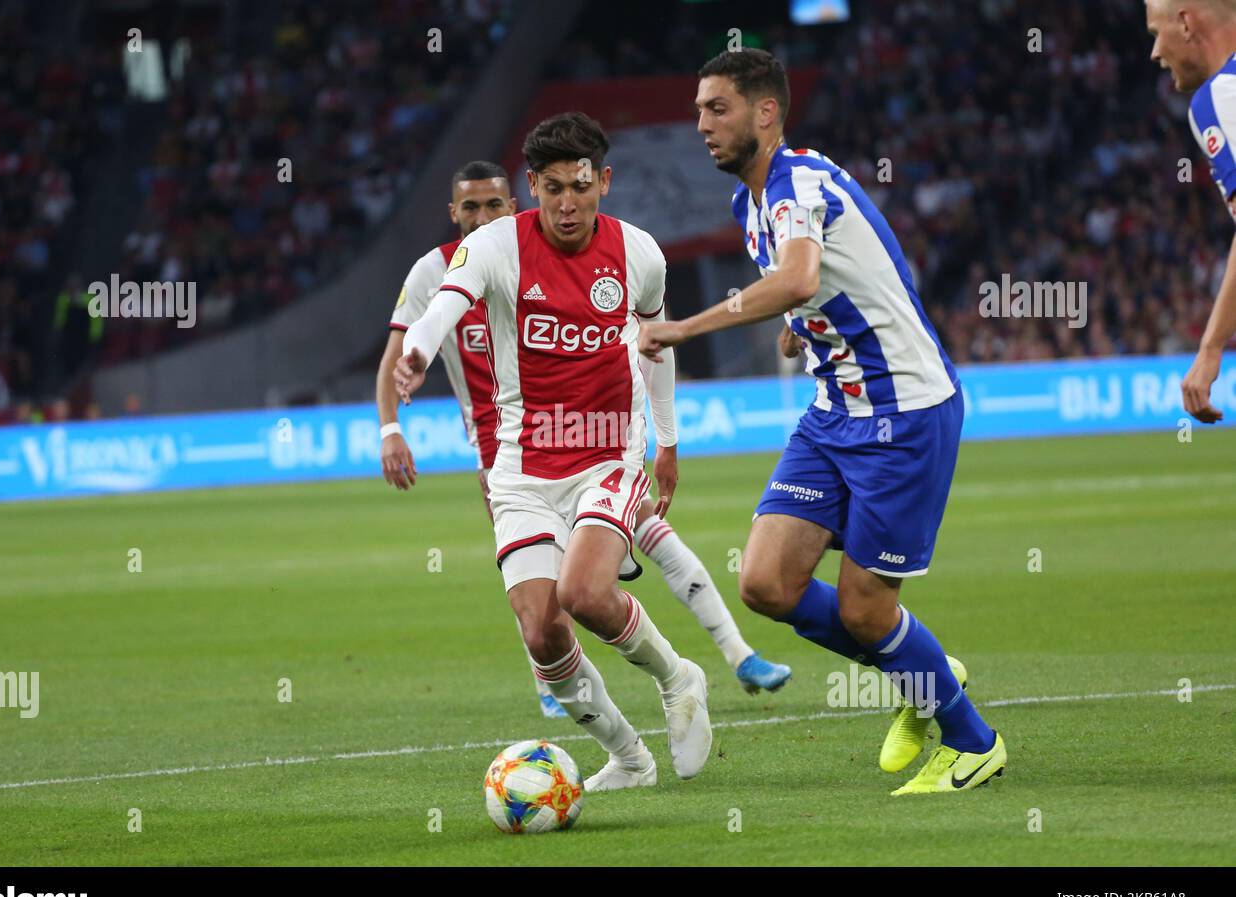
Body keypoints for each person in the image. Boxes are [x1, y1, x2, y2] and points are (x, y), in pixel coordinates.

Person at [640, 50, 1003, 795]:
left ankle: (972, 742)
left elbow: (800, 276)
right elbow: (848, 274)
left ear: (765, 112)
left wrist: (686, 329)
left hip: (901, 413)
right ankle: (921, 668)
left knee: (868, 610)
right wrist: (804, 326)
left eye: (718, 108)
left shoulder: (796, 182)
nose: (701, 124)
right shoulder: (752, 202)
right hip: (834, 412)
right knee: (767, 582)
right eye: (699, 109)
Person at [395, 113, 712, 791]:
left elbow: (657, 352)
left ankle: (678, 679)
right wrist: (418, 350)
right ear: (531, 185)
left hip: (608, 454)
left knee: (585, 592)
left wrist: (668, 440)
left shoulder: (641, 255)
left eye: (581, 186)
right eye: (553, 189)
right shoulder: (493, 246)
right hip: (521, 467)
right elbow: (447, 302)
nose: (568, 204)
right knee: (542, 631)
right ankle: (629, 758)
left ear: (604, 181)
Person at [1146, 0, 1236, 422]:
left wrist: (1210, 349)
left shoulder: (1219, 98)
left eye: (1155, 33)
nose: (1155, 52)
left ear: (1185, 22)